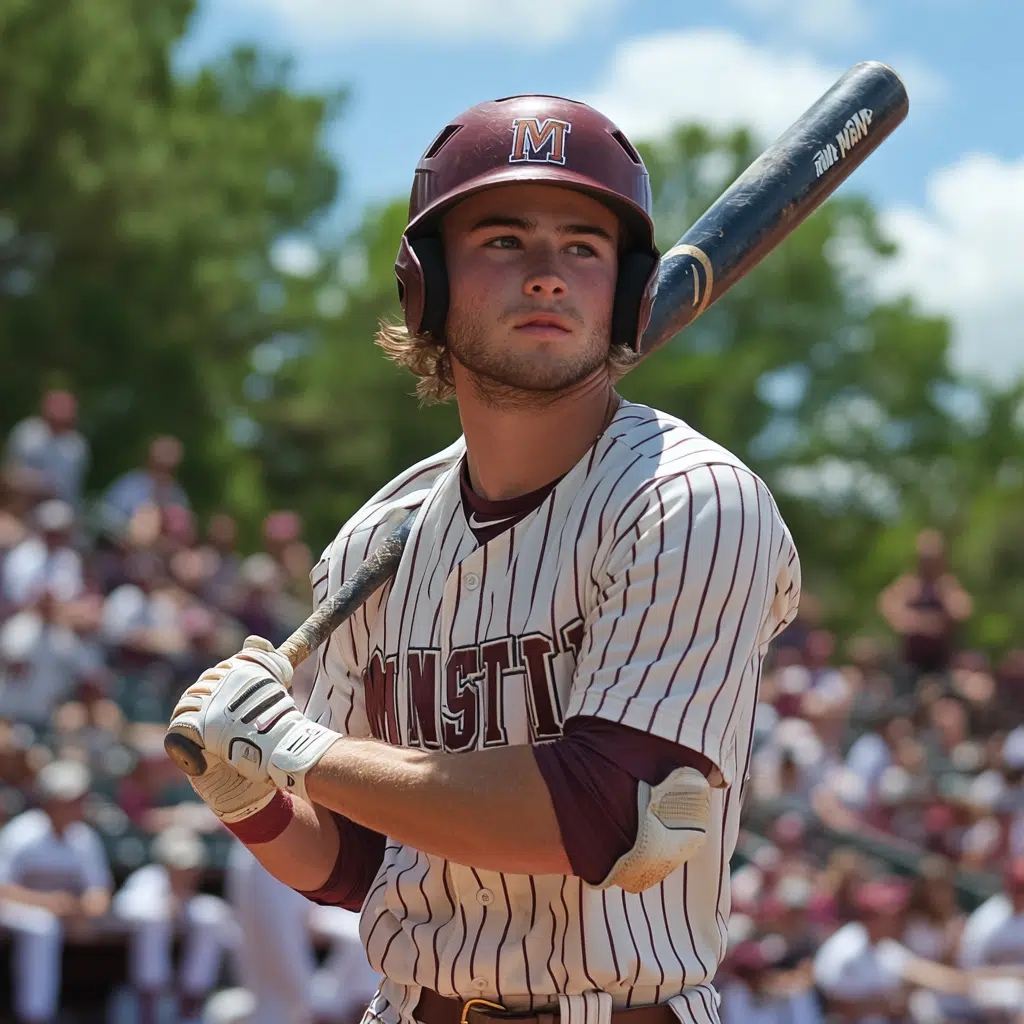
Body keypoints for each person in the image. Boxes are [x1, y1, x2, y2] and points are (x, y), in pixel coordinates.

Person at [169, 95, 802, 1024]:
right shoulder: (377, 539)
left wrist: (297, 750)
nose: (548, 276)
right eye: (504, 241)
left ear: (625, 292)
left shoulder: (691, 500)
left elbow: (601, 815)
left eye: (583, 247)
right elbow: (358, 856)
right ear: (427, 284)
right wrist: (248, 795)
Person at [0, 760, 113, 1023]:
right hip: (16, 910)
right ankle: (35, 1016)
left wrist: (80, 909)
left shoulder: (84, 838)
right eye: (71, 799)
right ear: (52, 801)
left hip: (63, 914)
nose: (78, 805)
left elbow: (100, 893)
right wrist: (48, 903)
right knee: (43, 926)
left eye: (79, 798)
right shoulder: (21, 833)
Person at [113, 825, 233, 1024]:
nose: (186, 872)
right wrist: (166, 909)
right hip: (140, 983)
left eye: (191, 867)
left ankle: (191, 1005)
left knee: (210, 918)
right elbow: (121, 911)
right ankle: (150, 1005)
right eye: (179, 865)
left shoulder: (198, 898)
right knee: (154, 919)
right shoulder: (148, 880)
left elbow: (232, 934)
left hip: (183, 985)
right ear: (166, 863)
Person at [877, 529, 972, 680]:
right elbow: (890, 612)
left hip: (943, 665)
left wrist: (942, 591)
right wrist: (928, 623)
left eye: (933, 558)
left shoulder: (948, 585)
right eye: (925, 558)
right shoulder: (907, 585)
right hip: (910, 664)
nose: (928, 563)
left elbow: (962, 611)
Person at [4, 389, 90, 507]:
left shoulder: (76, 446)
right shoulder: (26, 432)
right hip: (19, 503)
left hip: (58, 507)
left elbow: (61, 487)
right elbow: (11, 473)